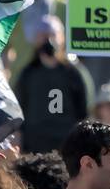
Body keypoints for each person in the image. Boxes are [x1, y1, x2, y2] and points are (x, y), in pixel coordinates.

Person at [15, 16, 93, 154]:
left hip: (66, 146)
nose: (48, 40)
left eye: (52, 34)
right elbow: (19, 113)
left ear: (62, 38)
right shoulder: (28, 74)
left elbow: (85, 112)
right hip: (35, 147)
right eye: (43, 35)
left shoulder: (74, 72)